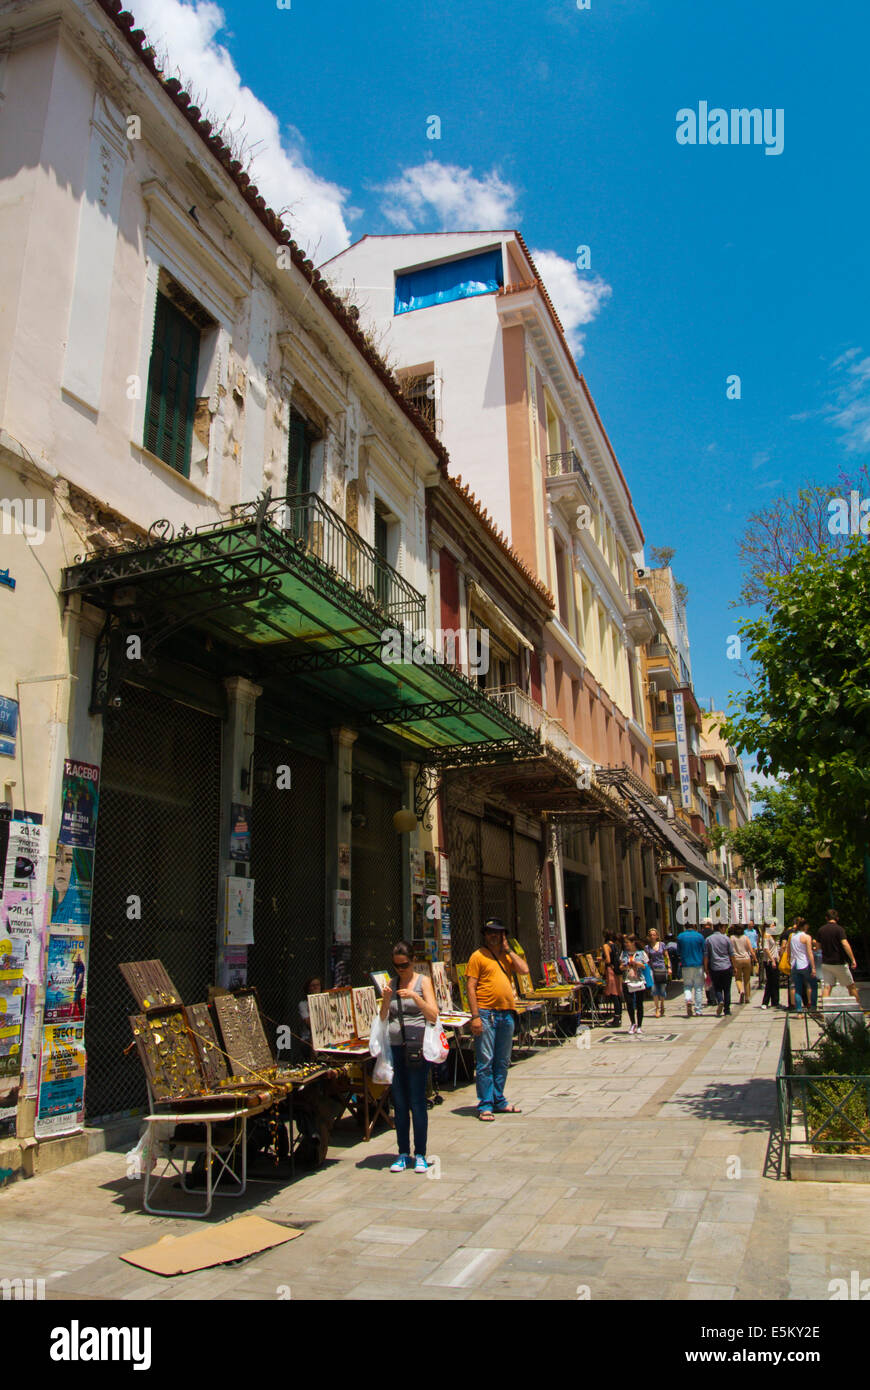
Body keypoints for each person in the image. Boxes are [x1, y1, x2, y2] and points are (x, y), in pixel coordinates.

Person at [380, 941, 438, 1170]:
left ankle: (420, 1153)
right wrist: (386, 999)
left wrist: (416, 998)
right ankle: (403, 1152)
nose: (400, 969)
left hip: (417, 1047)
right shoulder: (391, 984)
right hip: (395, 1047)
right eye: (396, 966)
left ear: (412, 961)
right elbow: (384, 1017)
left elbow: (433, 1014)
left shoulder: (423, 983)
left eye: (404, 965)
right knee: (400, 1102)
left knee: (417, 1101)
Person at [466, 920, 530, 1120]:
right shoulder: (477, 956)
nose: (494, 936)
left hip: (506, 1014)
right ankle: (485, 1103)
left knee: (502, 1060)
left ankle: (498, 1099)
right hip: (486, 1014)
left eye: (498, 933)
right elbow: (470, 987)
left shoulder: (506, 957)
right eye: (490, 933)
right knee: (485, 1061)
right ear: (484, 935)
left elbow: (524, 970)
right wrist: (475, 1016)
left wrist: (508, 950)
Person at [818, 908, 861, 1003]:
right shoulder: (839, 929)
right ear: (837, 918)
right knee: (851, 986)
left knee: (827, 986)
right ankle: (859, 1007)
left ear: (826, 918)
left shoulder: (821, 930)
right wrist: (852, 959)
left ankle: (826, 1010)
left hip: (826, 963)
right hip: (839, 962)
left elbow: (818, 946)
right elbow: (845, 944)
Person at [705, 922, 736, 1017]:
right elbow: (732, 954)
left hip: (715, 967)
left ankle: (720, 1001)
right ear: (720, 927)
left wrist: (706, 968)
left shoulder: (708, 939)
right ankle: (727, 1010)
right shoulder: (726, 938)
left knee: (717, 988)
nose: (725, 929)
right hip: (726, 966)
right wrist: (734, 967)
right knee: (727, 989)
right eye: (724, 927)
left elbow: (706, 955)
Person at [677, 920, 706, 1017]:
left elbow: (678, 952)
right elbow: (704, 951)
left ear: (685, 927)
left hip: (686, 965)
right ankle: (698, 1010)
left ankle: (688, 999)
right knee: (698, 987)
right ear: (694, 926)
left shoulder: (680, 937)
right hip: (698, 964)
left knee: (687, 986)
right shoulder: (699, 936)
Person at [620, 935, 648, 1035]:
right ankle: (633, 1023)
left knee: (639, 1003)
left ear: (633, 943)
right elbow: (621, 966)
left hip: (639, 980)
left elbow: (645, 966)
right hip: (627, 980)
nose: (626, 945)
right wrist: (625, 966)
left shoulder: (641, 953)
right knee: (630, 1003)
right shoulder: (624, 954)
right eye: (625, 943)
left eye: (627, 942)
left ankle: (639, 1025)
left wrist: (637, 964)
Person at [788, 919, 816, 1015]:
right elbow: (809, 952)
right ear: (805, 927)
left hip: (795, 964)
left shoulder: (792, 937)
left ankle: (799, 1011)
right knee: (813, 986)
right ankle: (813, 1008)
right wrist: (813, 967)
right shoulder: (806, 937)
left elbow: (789, 951)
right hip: (804, 963)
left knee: (798, 988)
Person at [646, 928, 671, 1018]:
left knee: (662, 988)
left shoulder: (662, 945)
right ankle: (657, 1008)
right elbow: (646, 959)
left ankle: (662, 1005)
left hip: (662, 968)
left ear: (657, 936)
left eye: (654, 934)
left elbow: (667, 956)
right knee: (654, 989)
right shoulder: (647, 947)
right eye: (651, 935)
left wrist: (669, 967)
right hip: (652, 969)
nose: (652, 936)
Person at [730, 925, 757, 1004]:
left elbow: (730, 950)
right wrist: (755, 959)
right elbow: (751, 950)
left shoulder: (732, 938)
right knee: (747, 979)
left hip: (736, 960)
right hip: (746, 959)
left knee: (738, 978)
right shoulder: (745, 937)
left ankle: (741, 990)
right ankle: (747, 997)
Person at [601, 931, 623, 1027]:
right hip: (617, 972)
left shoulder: (606, 946)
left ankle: (616, 1019)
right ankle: (618, 1017)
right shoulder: (615, 945)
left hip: (610, 971)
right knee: (617, 994)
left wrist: (601, 960)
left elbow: (608, 960)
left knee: (614, 994)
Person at [760, 923, 782, 1009]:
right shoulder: (767, 935)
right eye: (773, 925)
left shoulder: (773, 936)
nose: (774, 927)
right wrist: (772, 960)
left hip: (775, 960)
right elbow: (766, 949)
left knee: (775, 982)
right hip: (769, 961)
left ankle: (775, 1001)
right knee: (770, 982)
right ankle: (765, 1002)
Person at [298, 976, 322, 1054]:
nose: (315, 987)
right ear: (308, 988)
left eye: (317, 985)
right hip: (308, 1039)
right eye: (313, 985)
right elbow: (310, 1024)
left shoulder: (325, 1001)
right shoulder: (303, 1004)